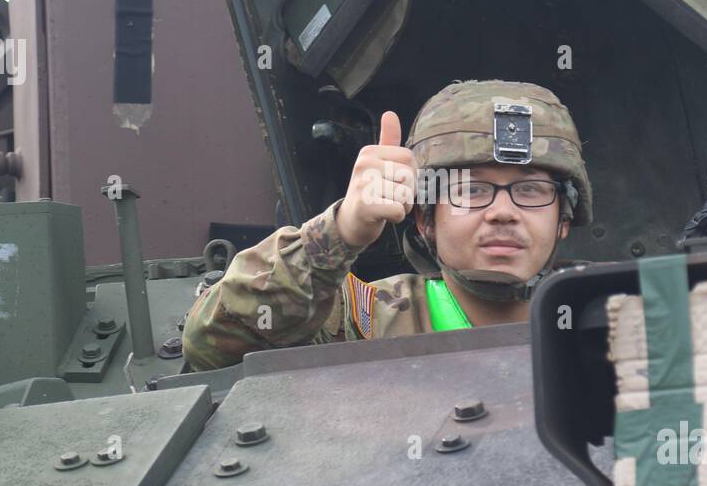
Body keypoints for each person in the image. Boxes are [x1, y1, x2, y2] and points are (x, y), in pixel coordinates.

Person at [181, 80, 593, 370]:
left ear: (564, 218)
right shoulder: (363, 319)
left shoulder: (612, 315)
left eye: (532, 190)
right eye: (470, 190)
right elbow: (212, 347)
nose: (503, 212)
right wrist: (340, 232)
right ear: (425, 217)